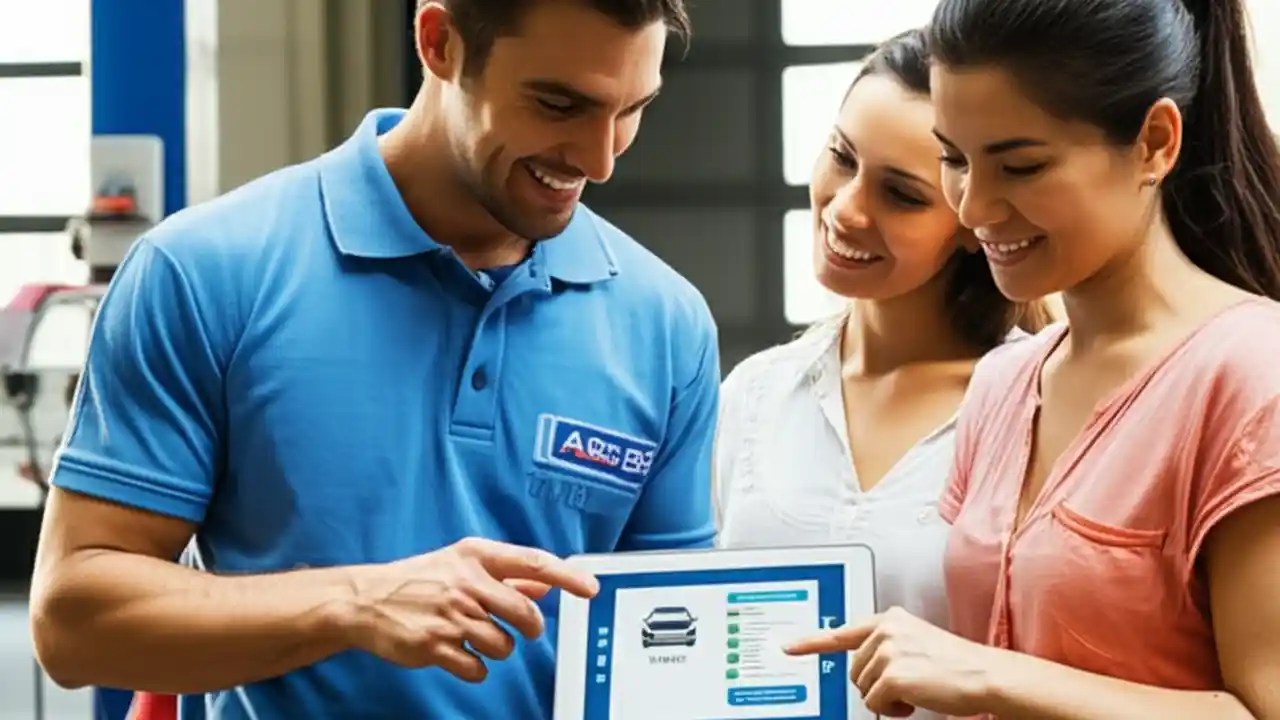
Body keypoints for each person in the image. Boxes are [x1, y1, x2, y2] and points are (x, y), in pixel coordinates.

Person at [29, 1, 721, 718]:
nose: (600, 159)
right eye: (558, 103)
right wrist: (351, 600)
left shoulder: (665, 324)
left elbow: (672, 659)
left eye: (631, 109)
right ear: (439, 42)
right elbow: (73, 626)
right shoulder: (206, 271)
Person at [786, 0, 1280, 718]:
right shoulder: (1005, 383)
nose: (976, 207)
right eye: (954, 159)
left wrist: (989, 676)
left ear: (1154, 143)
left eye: (1021, 166)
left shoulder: (1250, 374)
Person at [716, 29, 1048, 720]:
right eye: (841, 157)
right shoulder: (754, 392)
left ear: (969, 215)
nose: (844, 208)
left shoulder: (1040, 402)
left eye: (900, 194)